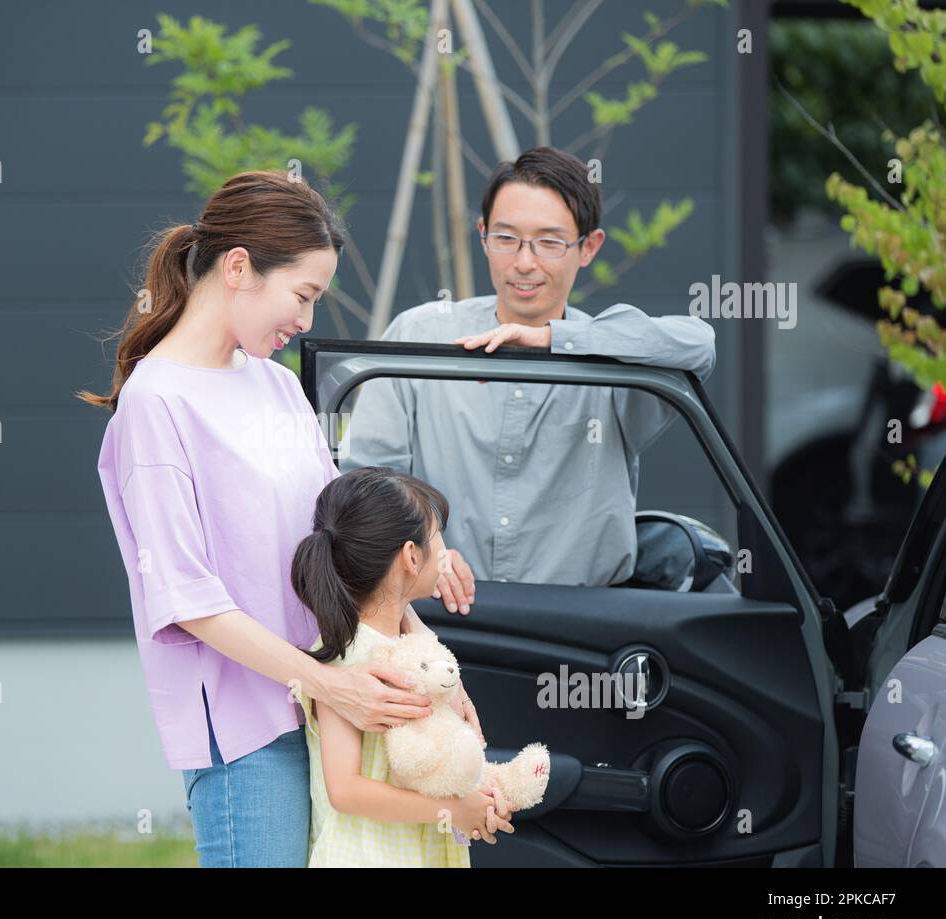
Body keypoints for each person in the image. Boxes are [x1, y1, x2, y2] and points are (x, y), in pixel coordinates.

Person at [82, 170, 513, 867]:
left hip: (325, 715)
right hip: (249, 731)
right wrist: (328, 682)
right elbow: (187, 599)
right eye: (303, 295)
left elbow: (346, 552)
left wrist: (437, 667)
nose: (307, 322)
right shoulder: (155, 405)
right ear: (239, 267)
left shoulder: (277, 387)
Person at [339, 146, 717, 592]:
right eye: (506, 238)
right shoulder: (421, 333)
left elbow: (698, 343)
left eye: (549, 242)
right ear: (482, 236)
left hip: (583, 622)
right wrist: (423, 547)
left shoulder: (614, 359)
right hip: (440, 611)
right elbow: (368, 478)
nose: (523, 262)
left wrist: (556, 339)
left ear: (588, 247)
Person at [292, 466, 507, 866]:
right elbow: (346, 789)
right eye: (438, 536)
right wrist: (451, 810)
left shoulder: (415, 647)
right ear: (411, 556)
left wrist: (472, 798)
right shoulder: (347, 658)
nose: (445, 551)